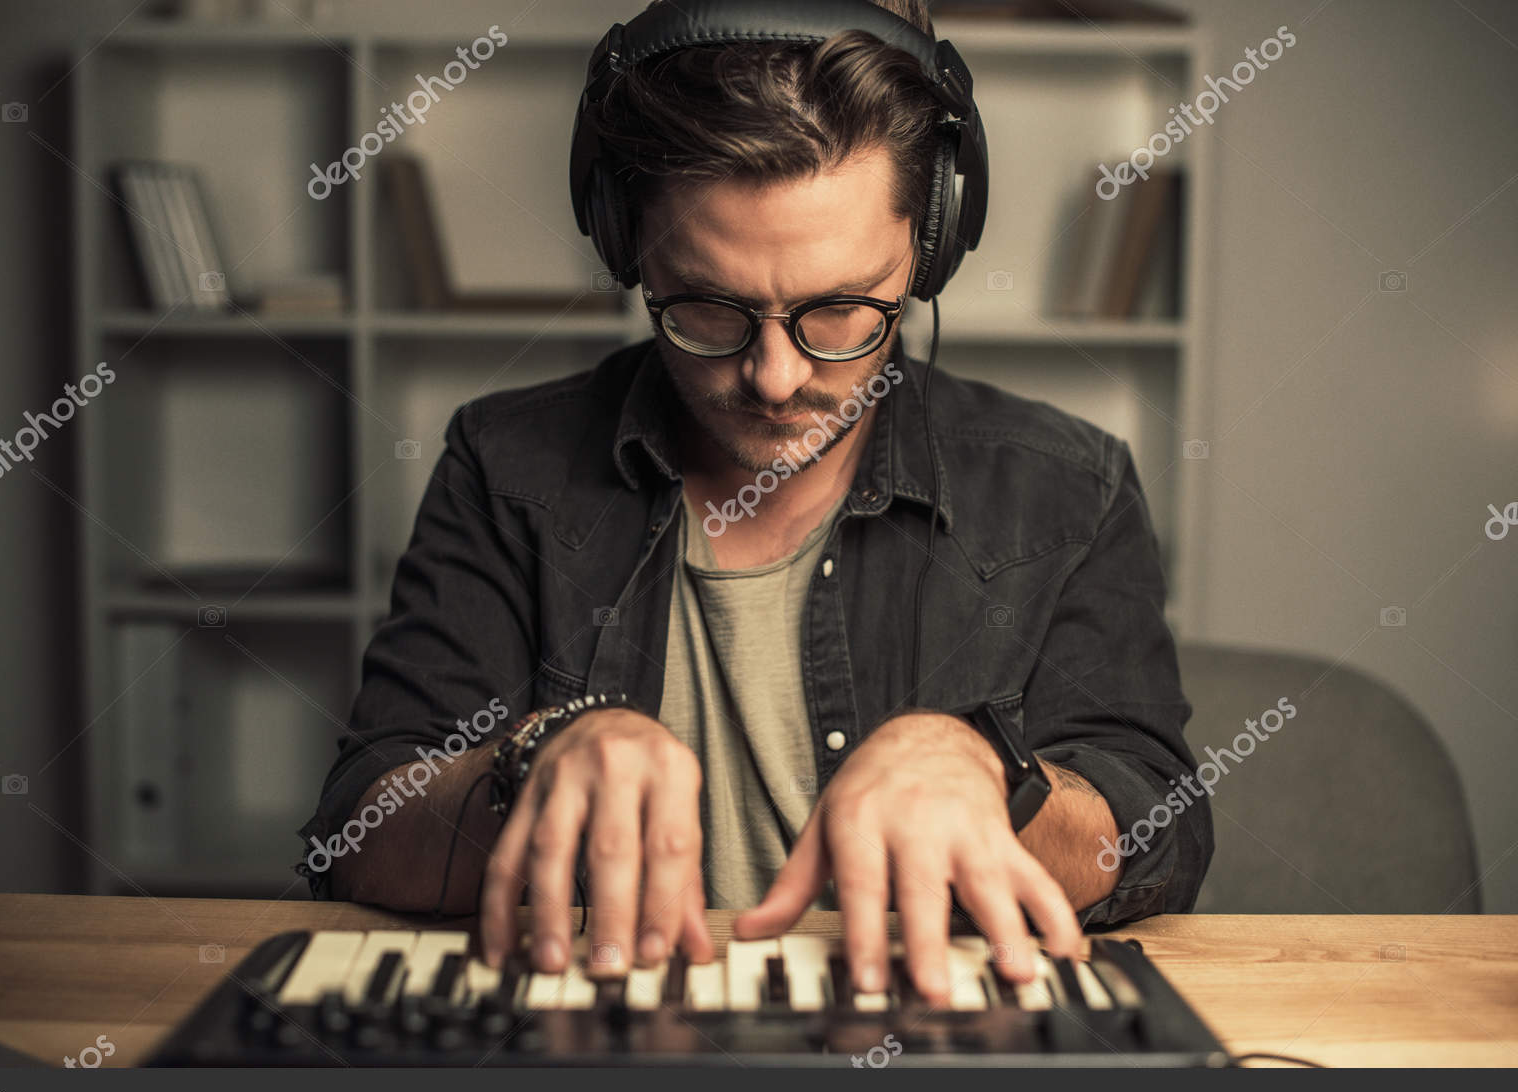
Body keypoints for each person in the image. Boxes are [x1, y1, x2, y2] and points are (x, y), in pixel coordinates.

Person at [298, 0, 1212, 1007]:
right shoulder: (505, 462)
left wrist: (994, 783)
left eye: (839, 311)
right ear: (626, 243)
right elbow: (357, 832)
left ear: (929, 245)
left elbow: (1156, 828)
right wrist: (532, 760)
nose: (774, 376)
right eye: (706, 309)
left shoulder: (1067, 485)